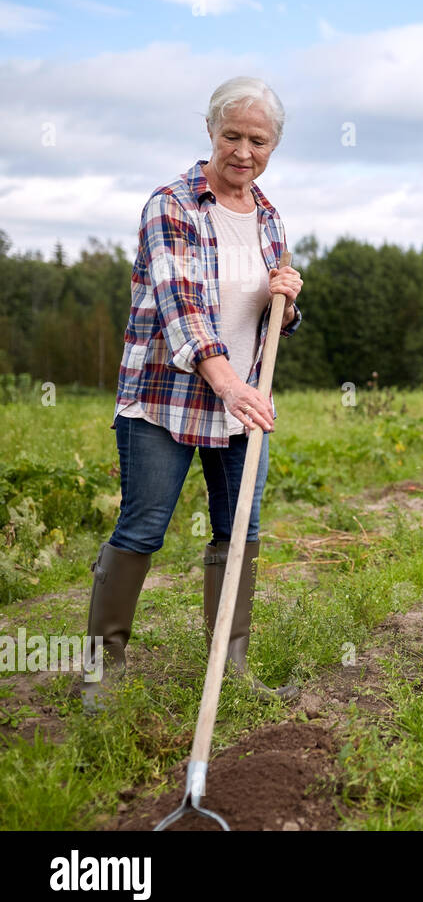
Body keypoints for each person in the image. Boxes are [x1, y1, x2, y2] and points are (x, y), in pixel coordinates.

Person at [82, 76, 303, 712]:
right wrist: (229, 383)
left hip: (240, 401)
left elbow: (265, 320)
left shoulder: (268, 216)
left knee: (239, 531)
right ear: (211, 131)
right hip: (165, 398)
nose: (243, 151)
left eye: (257, 140)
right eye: (232, 135)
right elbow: (184, 311)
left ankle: (229, 668)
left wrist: (285, 304)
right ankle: (103, 670)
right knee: (144, 525)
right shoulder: (170, 206)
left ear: (273, 146)